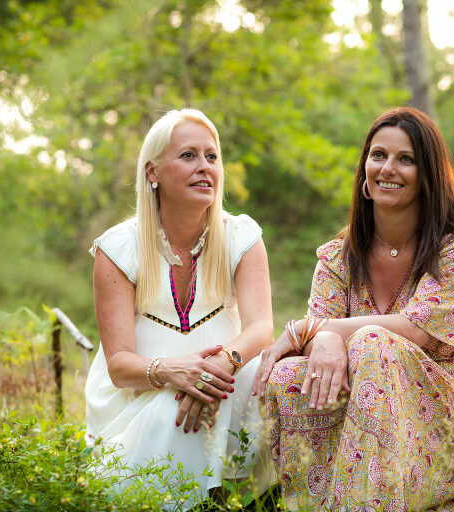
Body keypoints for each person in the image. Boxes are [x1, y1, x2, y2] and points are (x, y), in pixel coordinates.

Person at [253, 107, 454, 511]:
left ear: (428, 177)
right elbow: (318, 337)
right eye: (378, 155)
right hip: (363, 422)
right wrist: (324, 335)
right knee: (286, 376)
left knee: (374, 343)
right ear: (364, 172)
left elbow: (421, 330)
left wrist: (325, 330)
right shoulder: (338, 257)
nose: (388, 168)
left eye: (406, 159)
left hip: (453, 427)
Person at [84, 109, 273, 508]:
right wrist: (174, 372)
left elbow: (261, 331)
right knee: (179, 403)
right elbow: (119, 365)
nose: (204, 167)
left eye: (211, 156)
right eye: (188, 156)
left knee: (260, 371)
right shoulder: (118, 249)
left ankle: (238, 496)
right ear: (152, 172)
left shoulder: (242, 236)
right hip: (136, 398)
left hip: (222, 383)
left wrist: (219, 365)